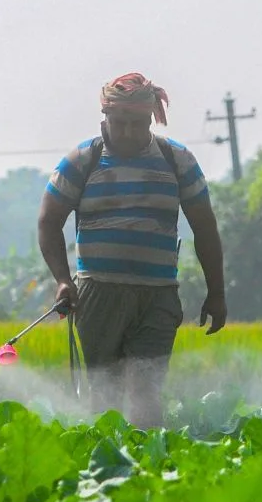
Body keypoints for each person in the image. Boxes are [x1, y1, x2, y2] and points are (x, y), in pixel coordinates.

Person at [37, 72, 227, 428]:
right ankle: (109, 459)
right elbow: (49, 222)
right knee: (105, 394)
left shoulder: (177, 160)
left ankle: (147, 455)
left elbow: (205, 227)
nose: (127, 132)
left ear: (151, 119)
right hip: (98, 295)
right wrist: (63, 280)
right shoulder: (83, 160)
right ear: (105, 117)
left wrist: (216, 293)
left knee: (146, 391)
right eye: (119, 123)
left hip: (158, 297)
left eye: (136, 124)